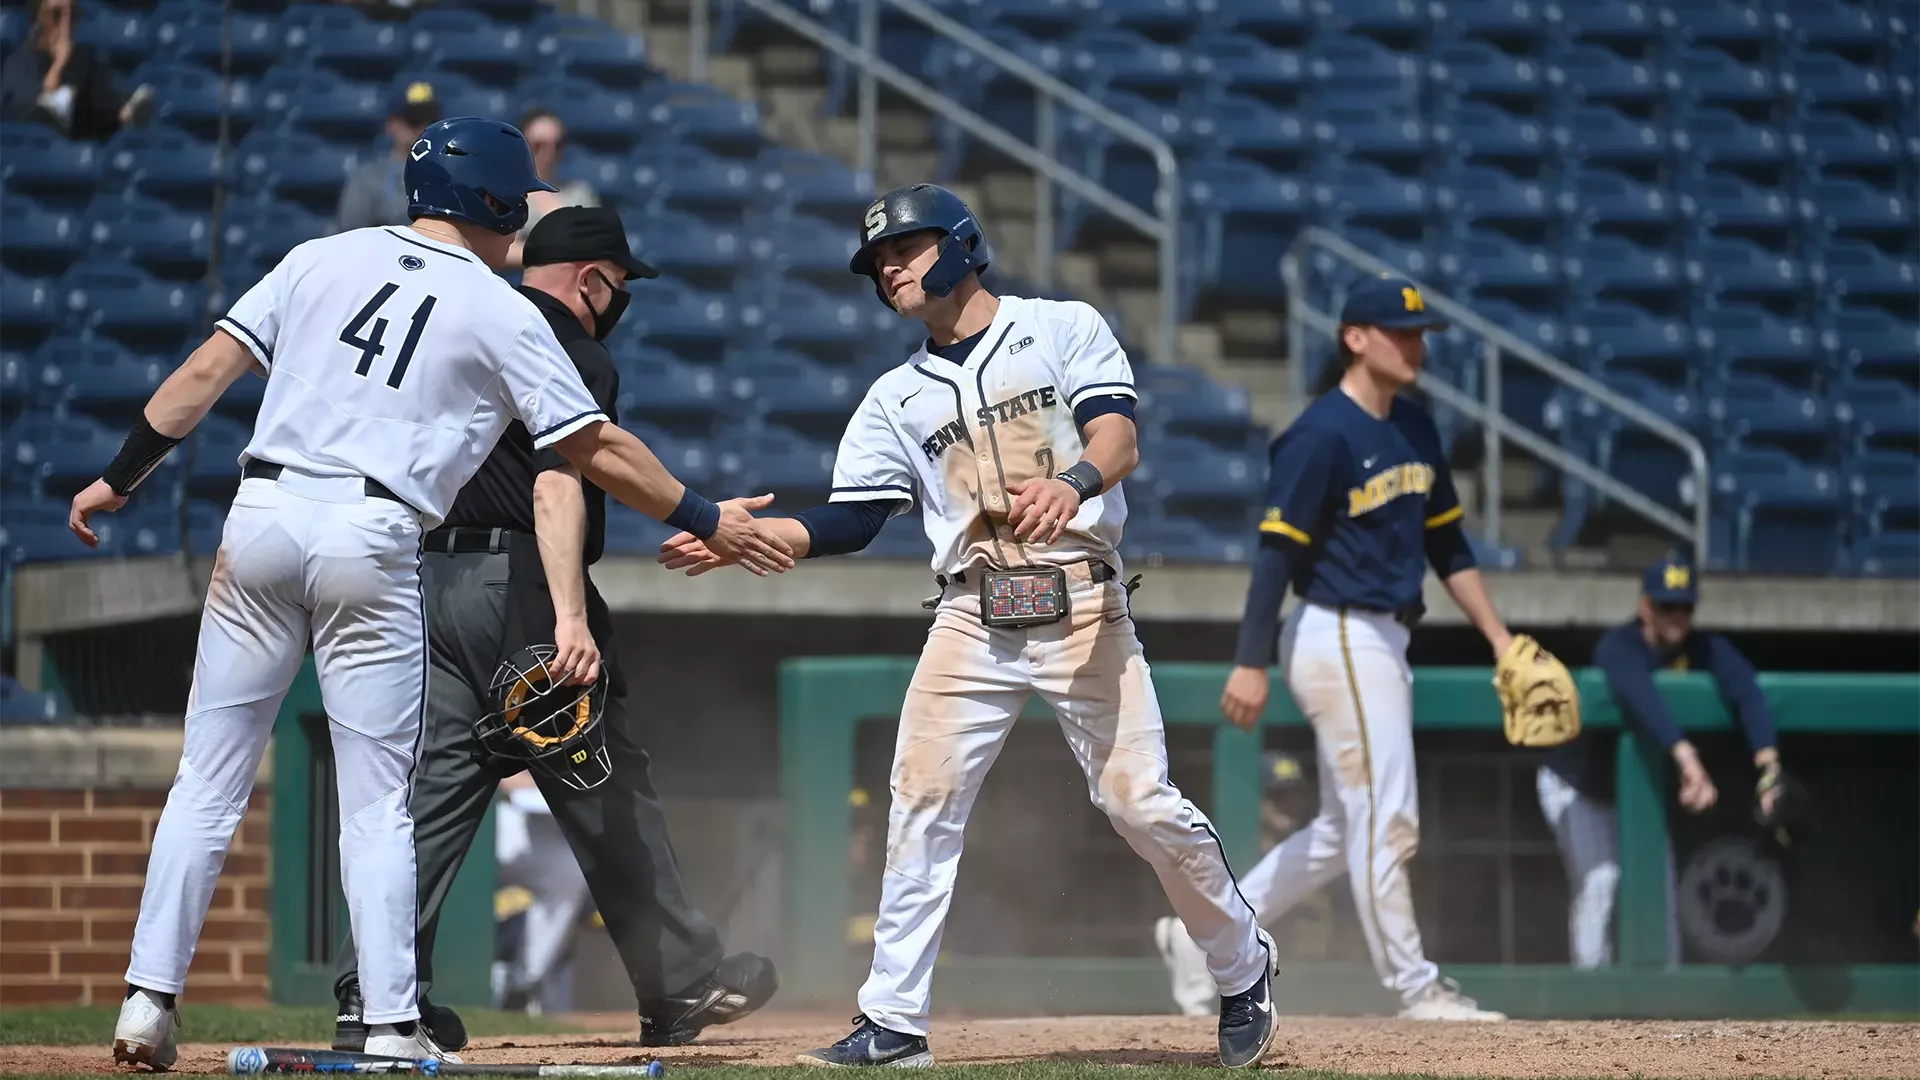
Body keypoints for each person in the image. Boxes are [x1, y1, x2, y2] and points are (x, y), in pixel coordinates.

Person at [71, 116, 793, 1070]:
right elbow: (588, 453)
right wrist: (706, 514)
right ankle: (388, 1025)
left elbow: (205, 374)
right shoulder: (500, 307)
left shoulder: (318, 256)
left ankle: (146, 1004)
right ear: (496, 201)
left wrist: (121, 477)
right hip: (374, 538)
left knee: (207, 781)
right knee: (377, 806)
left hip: (261, 514)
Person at [658, 183, 1282, 1070]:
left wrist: (1072, 483)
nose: (888, 267)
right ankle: (893, 1021)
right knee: (920, 799)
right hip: (971, 611)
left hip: (1080, 594)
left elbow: (1118, 440)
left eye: (904, 248)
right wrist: (751, 538)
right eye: (878, 260)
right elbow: (855, 515)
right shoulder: (894, 396)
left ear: (958, 244)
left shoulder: (1061, 327)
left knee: (1137, 802)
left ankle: (1241, 963)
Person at [329, 205, 777, 1055]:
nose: (618, 301)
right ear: (591, 279)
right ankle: (682, 981)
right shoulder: (569, 347)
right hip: (521, 591)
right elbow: (557, 482)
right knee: (603, 777)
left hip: (425, 579)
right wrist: (569, 615)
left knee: (424, 799)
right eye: (617, 284)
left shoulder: (462, 324)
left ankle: (374, 996)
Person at [1154, 274, 1515, 1023]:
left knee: (1345, 826)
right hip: (1339, 630)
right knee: (1389, 813)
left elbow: (1448, 546)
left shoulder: (1416, 427)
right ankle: (1416, 987)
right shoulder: (1320, 433)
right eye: (1400, 332)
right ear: (1355, 337)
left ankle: (1201, 937)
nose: (1415, 346)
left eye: (1420, 334)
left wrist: (1503, 642)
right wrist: (1251, 659)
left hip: (1384, 636)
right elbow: (1275, 554)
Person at [1536, 556, 1784, 969]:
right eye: (1667, 606)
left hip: (1635, 789)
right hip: (1577, 784)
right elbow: (1642, 699)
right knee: (1602, 882)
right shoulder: (1619, 645)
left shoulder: (1704, 648)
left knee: (1659, 885)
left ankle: (1664, 1004)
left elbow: (1748, 693)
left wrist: (1769, 768)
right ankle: (1589, 997)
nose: (1678, 616)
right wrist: (1687, 758)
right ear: (1645, 607)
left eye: (1685, 606)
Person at [1, 0, 152, 141]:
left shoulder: (86, 62)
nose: (65, 26)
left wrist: (124, 112)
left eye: (72, 16)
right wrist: (59, 65)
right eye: (56, 15)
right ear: (38, 21)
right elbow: (39, 114)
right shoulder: (19, 64)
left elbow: (108, 107)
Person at [335, 80, 445, 232]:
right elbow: (349, 238)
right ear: (392, 124)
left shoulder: (449, 176)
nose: (423, 127)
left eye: (431, 121)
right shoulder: (369, 178)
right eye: (414, 120)